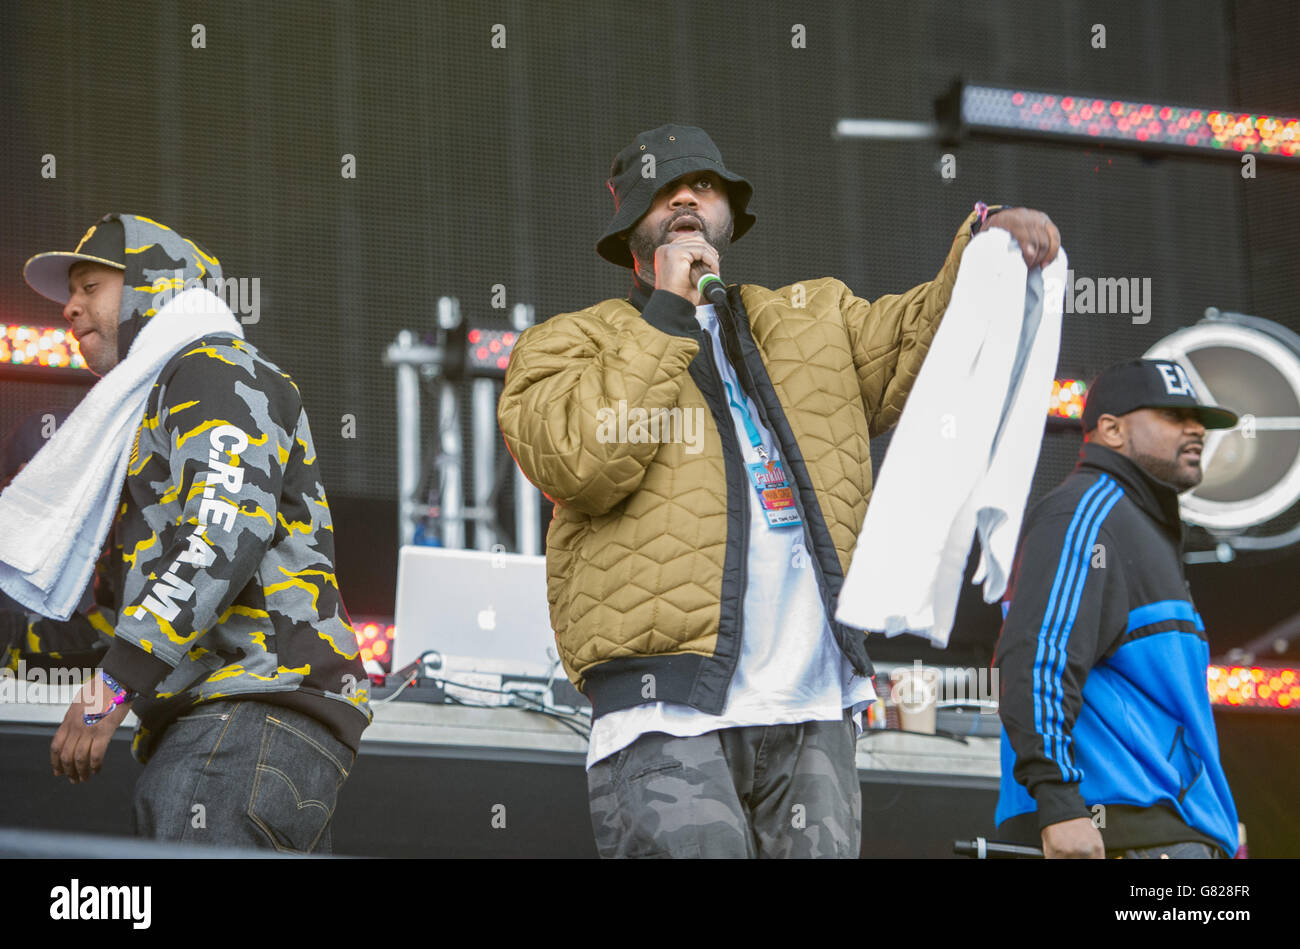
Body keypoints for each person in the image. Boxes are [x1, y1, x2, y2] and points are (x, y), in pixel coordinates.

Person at [498, 124, 1061, 858]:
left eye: (703, 185)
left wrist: (986, 247)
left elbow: (921, 337)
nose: (686, 198)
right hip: (666, 714)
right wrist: (667, 313)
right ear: (629, 229)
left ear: (731, 213)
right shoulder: (564, 344)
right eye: (664, 190)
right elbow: (584, 461)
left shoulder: (812, 320)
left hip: (815, 709)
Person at [4, 214, 371, 852]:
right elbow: (125, 620)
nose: (69, 307)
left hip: (247, 723)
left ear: (153, 285)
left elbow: (220, 535)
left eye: (90, 286)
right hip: (240, 733)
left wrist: (111, 689)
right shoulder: (153, 410)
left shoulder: (212, 369)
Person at [994, 357, 1240, 859]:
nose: (1196, 429)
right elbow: (1035, 658)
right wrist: (1060, 804)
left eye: (1200, 420)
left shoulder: (1145, 525)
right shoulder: (1085, 513)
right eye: (1173, 416)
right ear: (1110, 429)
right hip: (1116, 836)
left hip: (1175, 835)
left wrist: (1220, 825)